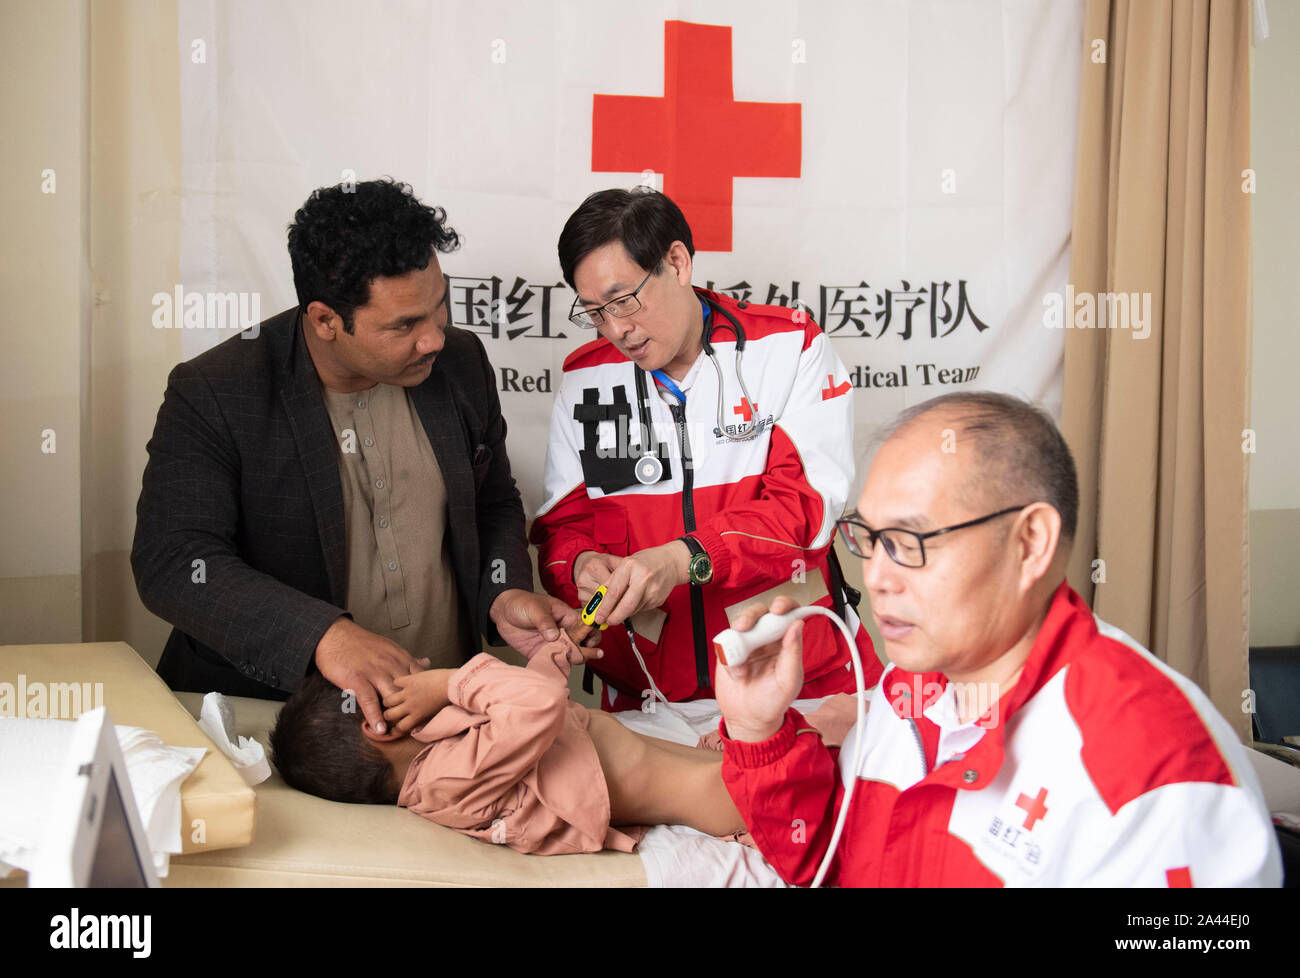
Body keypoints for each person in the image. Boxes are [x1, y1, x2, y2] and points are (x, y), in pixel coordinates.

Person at [715, 392, 1281, 886]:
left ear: (1030, 542)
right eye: (870, 537)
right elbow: (836, 865)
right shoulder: (912, 690)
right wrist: (759, 731)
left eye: (910, 540)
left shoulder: (1153, 768)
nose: (878, 578)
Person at [132, 178, 573, 735]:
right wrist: (323, 635)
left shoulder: (460, 364)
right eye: (404, 325)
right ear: (324, 321)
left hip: (442, 710)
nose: (433, 338)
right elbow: (173, 561)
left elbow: (492, 501)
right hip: (277, 715)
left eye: (439, 308)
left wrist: (504, 589)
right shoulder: (219, 391)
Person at [530, 187, 880, 711]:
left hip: (793, 678)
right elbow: (565, 526)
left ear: (677, 262)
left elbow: (803, 513)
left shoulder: (788, 348)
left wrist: (683, 558)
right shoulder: (588, 380)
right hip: (645, 691)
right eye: (595, 312)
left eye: (625, 300)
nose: (618, 330)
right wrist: (579, 566)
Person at [268, 626, 745, 855]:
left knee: (768, 756)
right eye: (401, 676)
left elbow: (527, 717)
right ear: (379, 724)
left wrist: (552, 653)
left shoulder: (438, 750)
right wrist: (450, 682)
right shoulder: (446, 779)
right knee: (769, 791)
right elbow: (535, 708)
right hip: (678, 790)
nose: (421, 667)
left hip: (651, 759)